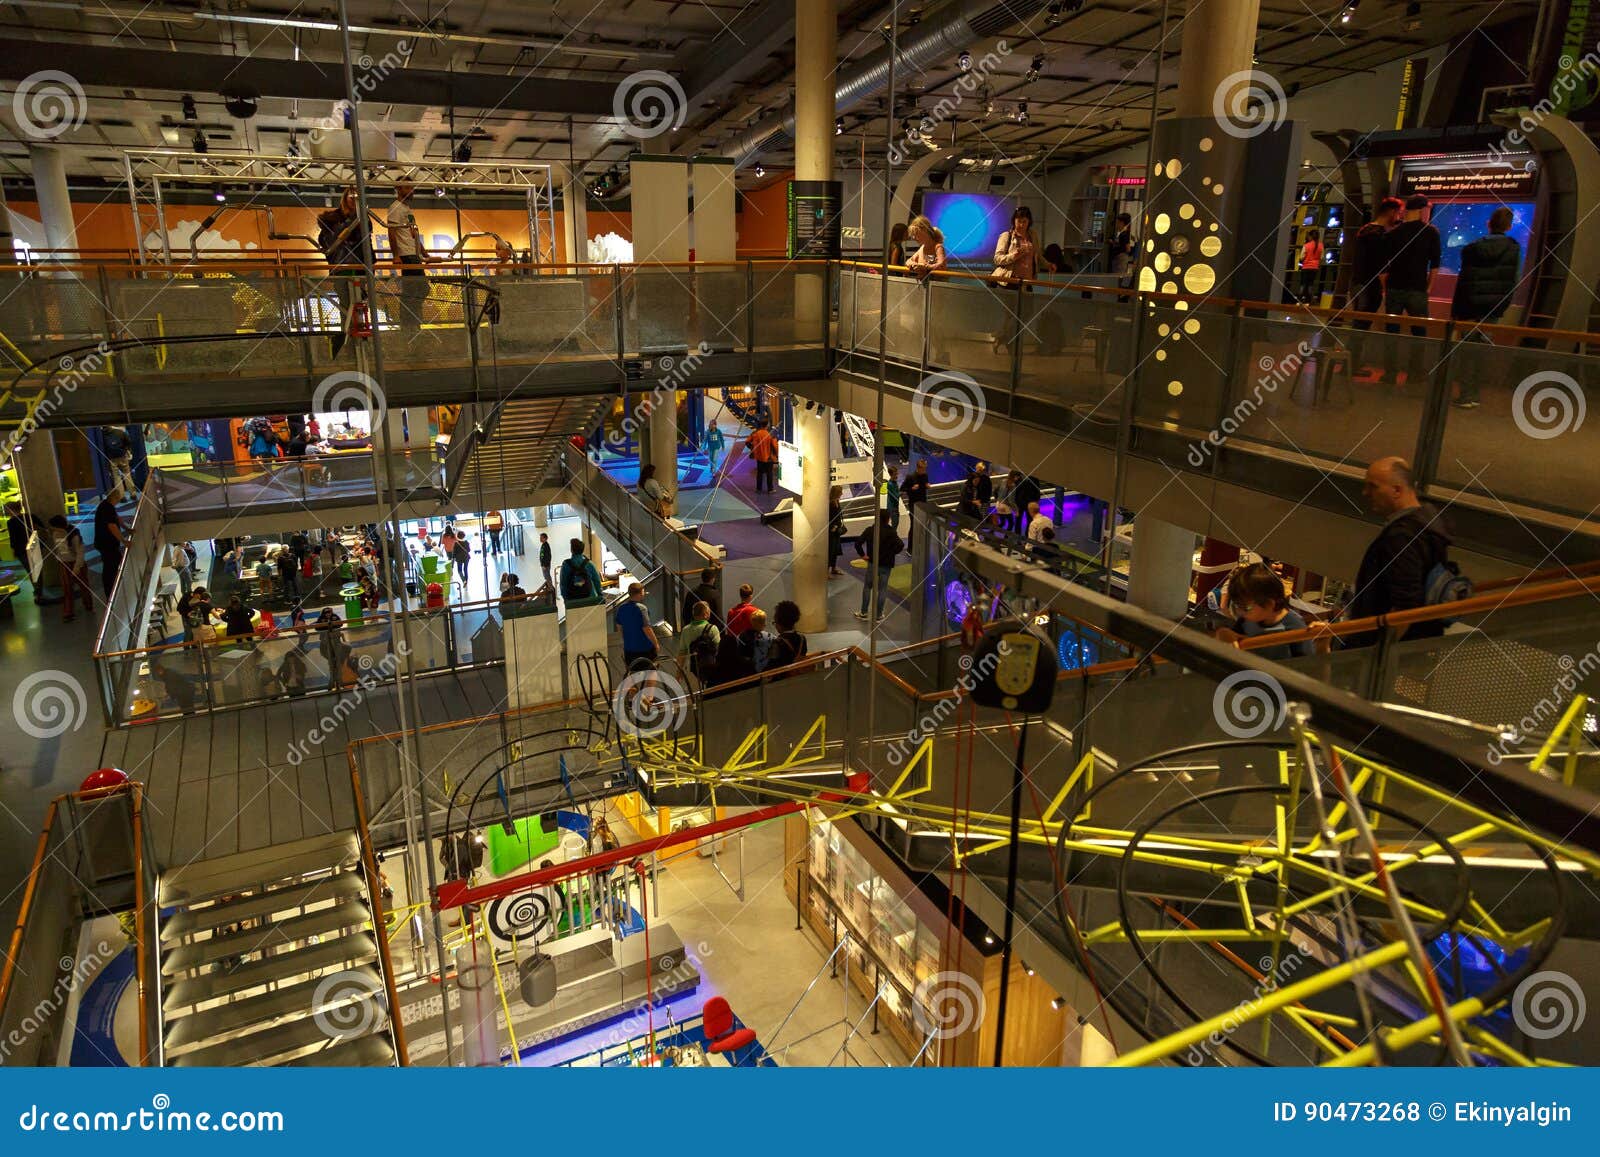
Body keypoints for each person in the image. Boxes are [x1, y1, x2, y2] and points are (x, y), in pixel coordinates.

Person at [1346, 456, 1453, 642]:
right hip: (1419, 642)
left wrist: (1380, 656)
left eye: (1373, 486)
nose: (1365, 493)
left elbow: (1406, 603)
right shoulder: (1428, 523)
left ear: (1397, 490)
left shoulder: (1402, 537)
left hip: (1389, 649)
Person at [1449, 207, 1523, 409]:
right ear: (1509, 226)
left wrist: (1456, 311)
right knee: (1481, 351)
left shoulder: (1472, 248)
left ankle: (1465, 394)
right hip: (1493, 310)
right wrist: (1502, 305)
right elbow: (1512, 281)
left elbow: (1463, 282)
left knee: (1466, 351)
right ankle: (1475, 393)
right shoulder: (1514, 249)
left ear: (1489, 224)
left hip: (1469, 308)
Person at [1380, 194, 1442, 386]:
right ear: (1422, 209)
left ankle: (1390, 373)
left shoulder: (1393, 233)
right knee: (1419, 332)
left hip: (1395, 288)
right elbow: (1435, 264)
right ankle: (1415, 374)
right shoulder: (1431, 232)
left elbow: (1383, 266)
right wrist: (1428, 288)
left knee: (1392, 332)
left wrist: (1386, 287)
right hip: (1417, 289)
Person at [1345, 197, 1401, 375]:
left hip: (1356, 283)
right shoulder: (1379, 235)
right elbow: (1381, 265)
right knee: (1361, 325)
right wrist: (1385, 287)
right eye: (1398, 212)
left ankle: (1350, 364)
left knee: (1358, 324)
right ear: (1391, 212)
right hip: (1369, 286)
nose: (1399, 216)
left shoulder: (1365, 231)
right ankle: (1351, 366)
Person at [1214, 563, 1313, 660]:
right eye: (1237, 606)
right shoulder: (1247, 619)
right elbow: (1232, 635)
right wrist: (1224, 633)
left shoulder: (1295, 628)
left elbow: (1308, 665)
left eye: (1246, 608)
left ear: (1269, 604)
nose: (1239, 612)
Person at [317, 186, 370, 358]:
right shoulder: (333, 219)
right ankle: (347, 339)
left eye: (356, 196)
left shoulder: (363, 218)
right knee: (345, 305)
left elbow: (366, 239)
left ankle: (360, 341)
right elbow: (329, 241)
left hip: (359, 266)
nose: (353, 199)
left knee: (359, 303)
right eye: (350, 196)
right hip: (342, 266)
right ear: (344, 198)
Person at [386, 182, 430, 335]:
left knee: (420, 289)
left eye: (412, 188)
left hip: (414, 253)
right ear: (398, 189)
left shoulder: (407, 209)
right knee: (416, 289)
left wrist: (424, 252)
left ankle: (413, 323)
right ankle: (409, 324)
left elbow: (414, 233)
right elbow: (391, 232)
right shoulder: (395, 208)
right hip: (406, 254)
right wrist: (396, 255)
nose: (411, 191)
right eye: (407, 188)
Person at [853, 509, 904, 621]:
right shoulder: (891, 532)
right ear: (888, 519)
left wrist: (863, 555)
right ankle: (878, 615)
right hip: (886, 564)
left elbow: (857, 544)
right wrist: (891, 553)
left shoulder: (870, 530)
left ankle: (864, 612)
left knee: (867, 587)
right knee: (882, 589)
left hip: (872, 563)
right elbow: (901, 544)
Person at [47, 515, 91, 622]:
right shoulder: (56, 533)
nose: (51, 529)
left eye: (53, 527)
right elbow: (60, 550)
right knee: (67, 589)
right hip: (64, 563)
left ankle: (88, 605)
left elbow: (80, 553)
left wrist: (76, 568)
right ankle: (68, 612)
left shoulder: (74, 535)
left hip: (75, 563)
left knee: (84, 586)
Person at [615, 581, 659, 670]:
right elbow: (647, 629)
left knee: (630, 674)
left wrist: (626, 641)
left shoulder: (621, 608)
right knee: (651, 672)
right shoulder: (642, 608)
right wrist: (656, 644)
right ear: (638, 594)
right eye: (643, 592)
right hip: (645, 648)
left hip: (629, 649)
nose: (644, 594)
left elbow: (619, 627)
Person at [92, 489, 125, 598]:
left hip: (106, 544)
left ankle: (114, 588)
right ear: (114, 498)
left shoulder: (106, 506)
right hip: (107, 545)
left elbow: (117, 519)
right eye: (118, 499)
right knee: (110, 567)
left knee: (113, 564)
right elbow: (112, 526)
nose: (119, 501)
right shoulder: (107, 508)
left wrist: (127, 529)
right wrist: (124, 541)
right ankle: (111, 592)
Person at [679, 601, 721, 684]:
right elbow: (718, 649)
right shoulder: (713, 629)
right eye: (708, 612)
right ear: (705, 614)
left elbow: (682, 652)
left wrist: (679, 672)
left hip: (692, 669)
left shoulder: (685, 630)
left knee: (693, 695)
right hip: (710, 668)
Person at [559, 538, 603, 603]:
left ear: (571, 550)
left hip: (572, 600)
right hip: (590, 598)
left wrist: (566, 599)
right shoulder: (589, 564)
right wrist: (599, 595)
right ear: (582, 550)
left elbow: (563, 584)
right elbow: (597, 581)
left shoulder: (566, 564)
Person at [769, 599, 808, 670]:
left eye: (775, 622)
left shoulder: (777, 643)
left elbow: (773, 666)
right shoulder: (802, 638)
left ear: (779, 623)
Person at [315, 608, 349, 688]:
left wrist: (330, 626)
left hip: (336, 643)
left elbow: (340, 623)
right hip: (326, 643)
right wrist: (327, 626)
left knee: (338, 662)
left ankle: (340, 681)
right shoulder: (321, 619)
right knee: (331, 663)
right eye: (326, 613)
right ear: (324, 613)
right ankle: (333, 681)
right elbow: (317, 627)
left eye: (329, 612)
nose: (328, 614)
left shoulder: (335, 616)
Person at [101, 426, 136, 497]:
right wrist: (126, 450)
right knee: (127, 474)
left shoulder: (102, 436)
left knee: (117, 477)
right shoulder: (119, 432)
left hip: (112, 459)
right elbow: (128, 442)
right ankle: (133, 494)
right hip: (123, 456)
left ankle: (121, 496)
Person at [746, 418, 778, 494]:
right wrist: (777, 455)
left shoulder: (755, 433)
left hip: (759, 457)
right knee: (769, 474)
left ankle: (758, 489)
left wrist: (753, 449)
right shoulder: (770, 434)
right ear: (767, 425)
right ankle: (770, 489)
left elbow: (747, 442)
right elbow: (775, 446)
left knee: (759, 473)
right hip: (768, 458)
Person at [738, 608, 774, 673]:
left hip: (747, 670)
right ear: (762, 623)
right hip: (764, 669)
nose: (765, 624)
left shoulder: (742, 635)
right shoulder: (768, 637)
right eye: (764, 622)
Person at [1297, 228, 1324, 304]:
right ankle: (1308, 301)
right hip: (1315, 268)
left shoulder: (1306, 245)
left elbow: (1301, 257)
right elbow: (1322, 257)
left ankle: (1299, 300)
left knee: (1303, 284)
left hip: (1306, 267)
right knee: (1310, 284)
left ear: (1311, 236)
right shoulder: (1321, 245)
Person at [827, 485, 847, 577]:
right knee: (830, 551)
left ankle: (833, 568)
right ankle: (826, 571)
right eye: (840, 492)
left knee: (835, 551)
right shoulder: (831, 504)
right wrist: (833, 526)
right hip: (832, 531)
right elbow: (829, 517)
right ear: (836, 493)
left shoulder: (836, 502)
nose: (842, 494)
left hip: (837, 531)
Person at [1108, 212, 1135, 279]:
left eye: (1118, 222)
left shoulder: (1124, 234)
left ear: (1122, 223)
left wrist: (1115, 244)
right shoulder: (1122, 233)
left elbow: (1128, 249)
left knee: (1118, 277)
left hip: (1121, 258)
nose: (1117, 225)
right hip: (1119, 258)